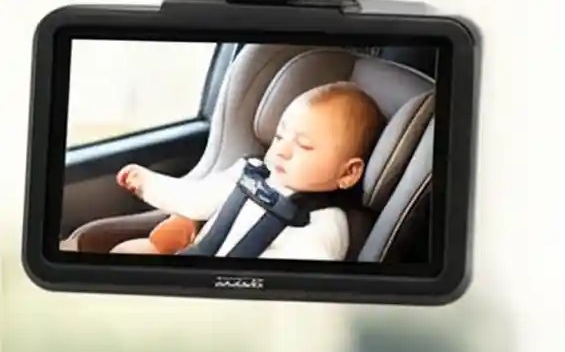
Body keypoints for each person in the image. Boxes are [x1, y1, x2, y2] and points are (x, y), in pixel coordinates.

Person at [112, 81, 383, 261]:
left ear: (347, 174)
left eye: (304, 145)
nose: (282, 150)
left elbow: (298, 281)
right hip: (194, 261)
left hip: (236, 301)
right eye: (280, 137)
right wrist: (147, 183)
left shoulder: (323, 222)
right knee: (124, 251)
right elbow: (197, 199)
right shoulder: (249, 172)